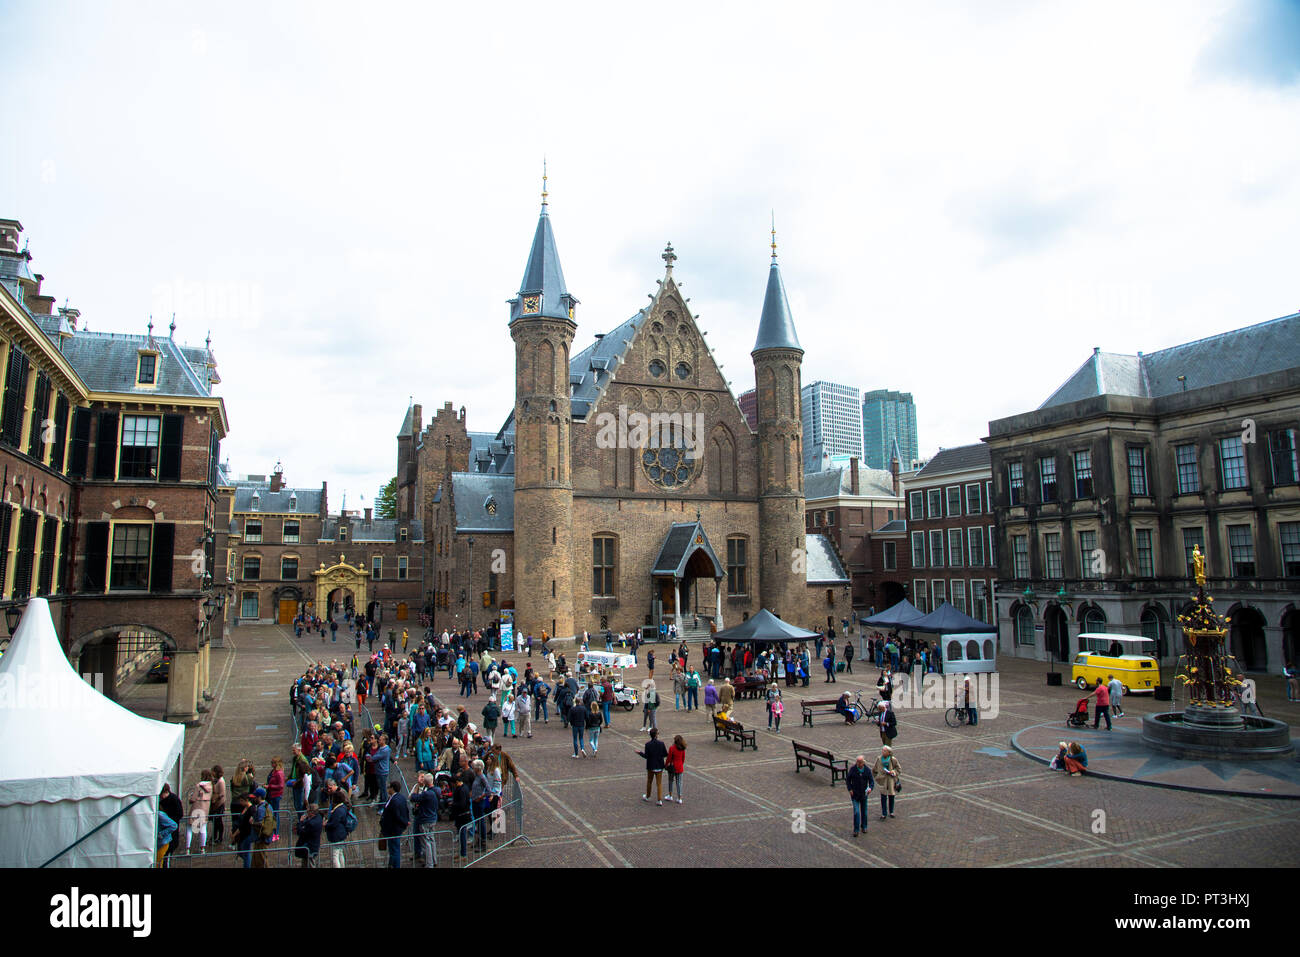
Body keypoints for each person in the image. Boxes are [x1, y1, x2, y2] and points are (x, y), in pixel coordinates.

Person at [410, 773, 439, 868]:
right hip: (433, 818)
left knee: (426, 842)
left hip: (425, 819)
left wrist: (416, 788)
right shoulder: (437, 790)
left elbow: (413, 797)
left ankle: (429, 863)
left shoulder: (427, 794)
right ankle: (434, 860)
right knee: (431, 839)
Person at [379, 781, 409, 868]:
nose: (388, 789)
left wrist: (405, 822)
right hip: (393, 828)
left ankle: (395, 865)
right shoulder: (399, 797)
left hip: (393, 829)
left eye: (389, 787)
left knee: (394, 849)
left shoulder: (395, 801)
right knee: (393, 848)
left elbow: (397, 815)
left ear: (392, 788)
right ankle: (391, 864)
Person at [637, 728, 669, 806]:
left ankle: (648, 796)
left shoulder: (648, 744)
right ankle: (659, 799)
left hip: (651, 766)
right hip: (659, 766)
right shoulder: (661, 743)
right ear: (656, 735)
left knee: (649, 782)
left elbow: (646, 756)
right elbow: (665, 754)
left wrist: (640, 753)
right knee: (659, 783)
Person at [846, 755, 875, 837]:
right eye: (857, 762)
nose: (858, 763)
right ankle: (856, 829)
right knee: (856, 812)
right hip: (855, 794)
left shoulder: (867, 770)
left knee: (864, 812)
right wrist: (850, 789)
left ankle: (864, 826)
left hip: (864, 794)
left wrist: (870, 788)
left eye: (860, 762)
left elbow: (871, 782)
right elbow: (848, 780)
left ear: (863, 762)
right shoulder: (853, 769)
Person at [185, 771, 212, 854]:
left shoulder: (198, 785)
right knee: (203, 828)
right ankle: (202, 848)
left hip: (196, 807)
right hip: (205, 808)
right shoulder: (211, 786)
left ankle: (187, 848)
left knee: (190, 827)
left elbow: (193, 798)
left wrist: (190, 799)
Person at [872, 746, 901, 819]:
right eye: (882, 750)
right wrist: (877, 778)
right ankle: (884, 813)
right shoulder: (879, 759)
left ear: (889, 752)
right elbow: (874, 769)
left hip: (891, 780)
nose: (883, 752)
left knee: (891, 795)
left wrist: (893, 772)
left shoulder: (893, 759)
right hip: (883, 780)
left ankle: (891, 811)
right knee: (883, 796)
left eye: (885, 751)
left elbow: (898, 769)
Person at [324, 793, 350, 868]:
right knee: (340, 853)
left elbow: (334, 824)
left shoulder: (338, 810)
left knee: (335, 855)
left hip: (336, 835)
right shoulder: (343, 807)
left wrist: (326, 825)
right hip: (341, 834)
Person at [295, 803, 323, 868]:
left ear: (312, 812)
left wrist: (301, 822)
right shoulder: (318, 817)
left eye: (308, 811)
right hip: (312, 845)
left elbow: (301, 832)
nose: (306, 813)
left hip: (309, 847)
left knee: (310, 864)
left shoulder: (311, 823)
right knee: (305, 864)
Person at [665, 734, 687, 804]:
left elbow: (669, 758)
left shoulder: (672, 748)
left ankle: (670, 795)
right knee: (679, 782)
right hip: (680, 767)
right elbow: (683, 758)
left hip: (672, 767)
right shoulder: (683, 749)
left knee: (670, 781)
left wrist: (666, 765)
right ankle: (679, 798)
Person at [209, 765, 227, 845]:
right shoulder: (216, 780)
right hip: (216, 804)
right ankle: (214, 836)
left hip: (219, 805)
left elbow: (221, 794)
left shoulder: (221, 781)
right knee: (215, 821)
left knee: (218, 821)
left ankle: (219, 837)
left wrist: (215, 799)